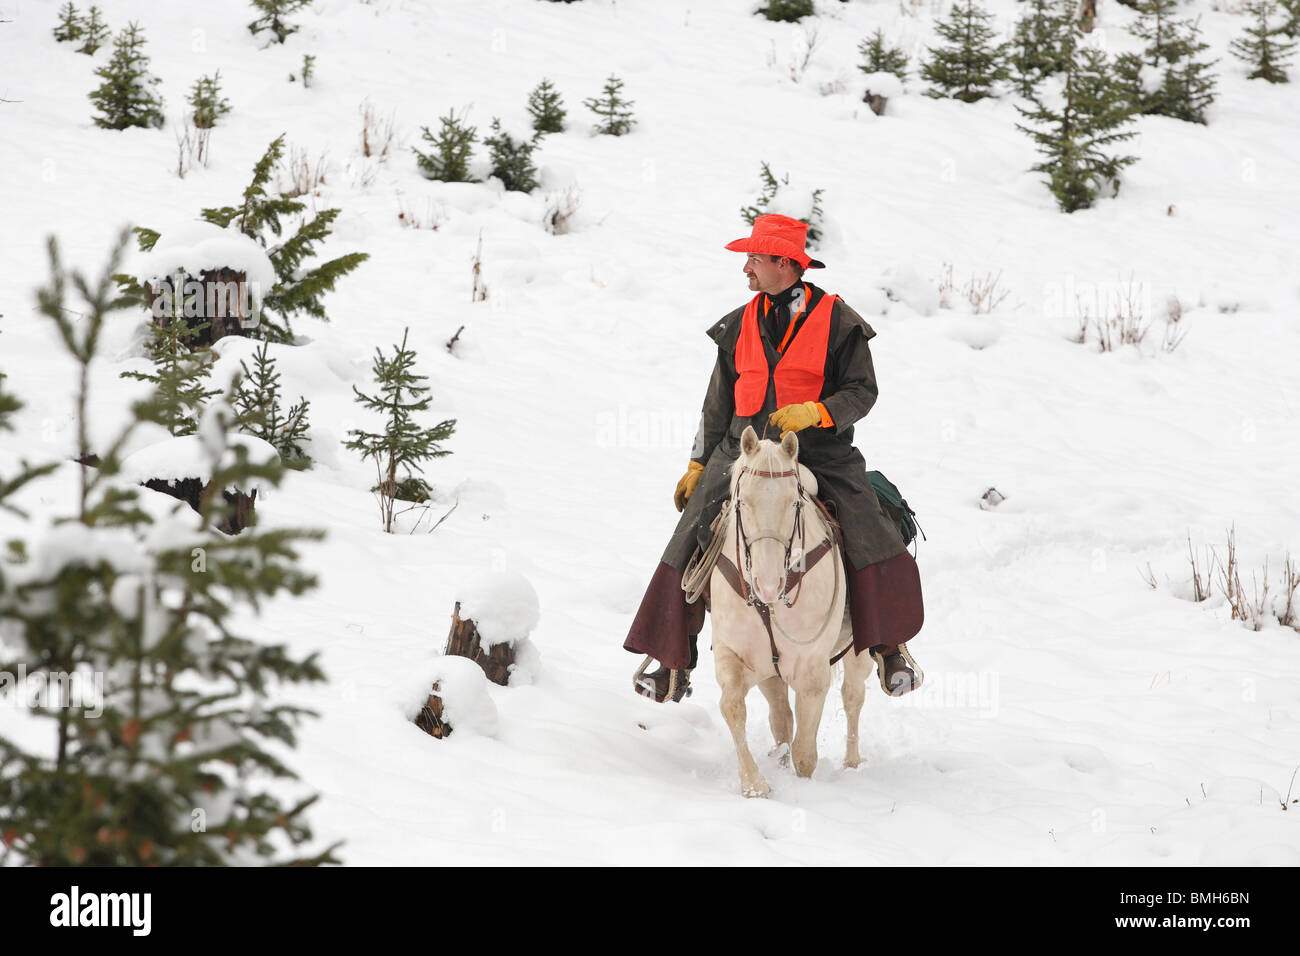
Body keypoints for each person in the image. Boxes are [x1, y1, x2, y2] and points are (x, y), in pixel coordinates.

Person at [623, 213, 926, 703]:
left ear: (784, 263)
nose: (746, 269)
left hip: (822, 452)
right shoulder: (737, 324)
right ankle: (671, 661)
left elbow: (863, 392)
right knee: (688, 535)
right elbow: (716, 404)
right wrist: (699, 464)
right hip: (738, 451)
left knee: (867, 525)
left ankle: (890, 648)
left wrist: (819, 412)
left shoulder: (841, 323)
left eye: (754, 259)